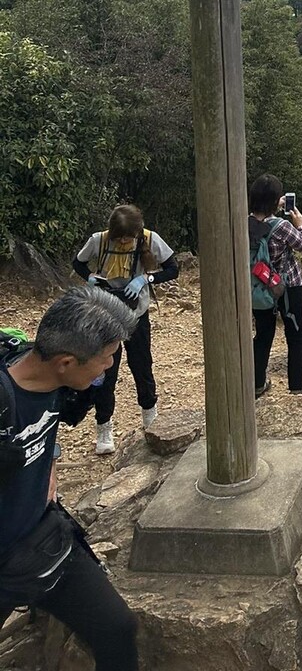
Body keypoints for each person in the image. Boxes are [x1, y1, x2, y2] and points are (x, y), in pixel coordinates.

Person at [0, 284, 141, 669]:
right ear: (65, 362)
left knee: (117, 629)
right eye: (106, 358)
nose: (109, 367)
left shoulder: (56, 382)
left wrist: (48, 459)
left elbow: (43, 424)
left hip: (41, 541)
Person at [72, 204, 179, 455]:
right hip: (105, 314)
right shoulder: (99, 240)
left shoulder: (149, 239)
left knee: (141, 364)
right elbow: (78, 263)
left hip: (136, 313)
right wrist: (90, 277)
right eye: (118, 237)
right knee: (105, 370)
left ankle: (150, 417)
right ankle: (104, 426)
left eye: (127, 238)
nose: (122, 242)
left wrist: (145, 278)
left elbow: (173, 269)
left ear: (137, 233)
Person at [249, 173, 302, 397]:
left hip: (259, 288)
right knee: (295, 335)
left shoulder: (245, 224)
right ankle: (297, 387)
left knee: (263, 335)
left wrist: (273, 204)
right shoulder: (282, 226)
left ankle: (257, 384)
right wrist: (301, 225)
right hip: (288, 286)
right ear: (275, 200)